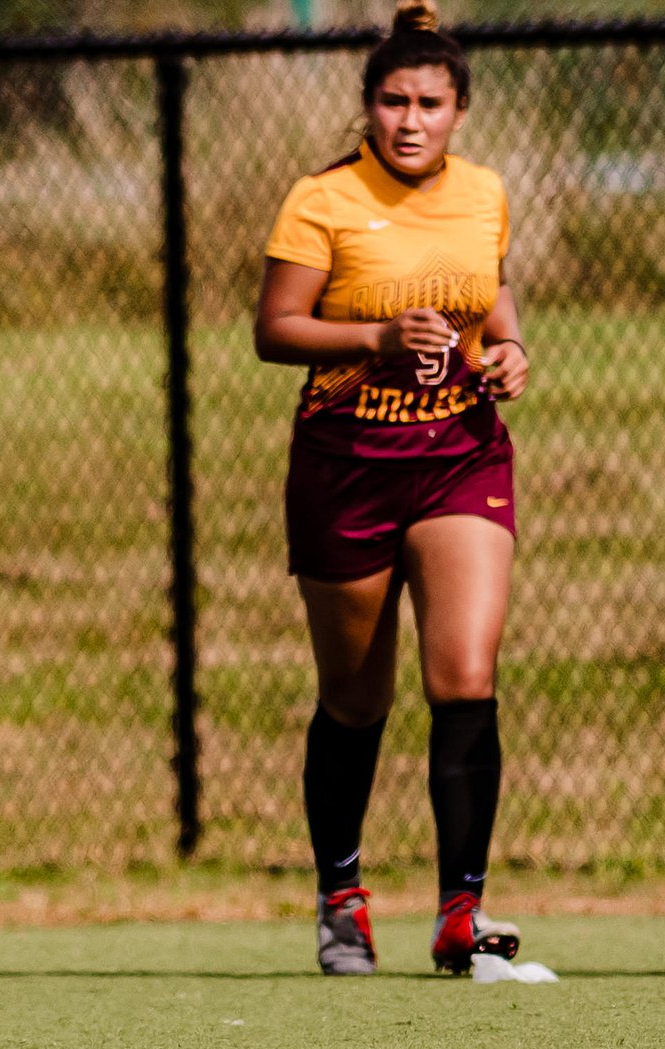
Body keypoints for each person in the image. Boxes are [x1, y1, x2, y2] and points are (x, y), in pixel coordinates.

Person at [254, 0, 529, 976]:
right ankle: (340, 900)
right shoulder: (321, 199)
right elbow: (274, 328)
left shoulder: (483, 193)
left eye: (428, 102)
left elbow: (491, 306)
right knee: (354, 699)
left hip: (458, 454)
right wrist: (372, 336)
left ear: (456, 110)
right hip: (345, 467)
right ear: (367, 105)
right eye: (390, 100)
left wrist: (504, 352)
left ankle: (461, 915)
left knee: (462, 675)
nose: (408, 120)